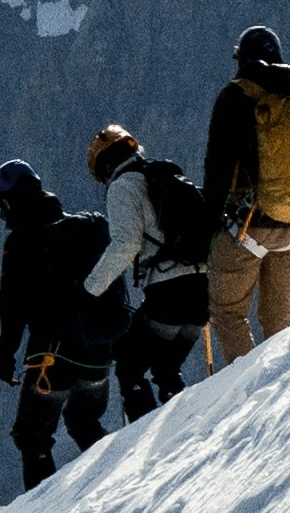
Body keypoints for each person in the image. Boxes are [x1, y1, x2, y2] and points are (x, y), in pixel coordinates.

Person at [0, 162, 129, 485]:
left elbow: (12, 307)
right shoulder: (92, 225)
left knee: (31, 436)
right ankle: (118, 484)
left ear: (8, 202)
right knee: (83, 421)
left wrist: (5, 356)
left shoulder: (21, 241)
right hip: (100, 352)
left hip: (53, 357)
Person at [202, 25, 290, 359]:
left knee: (229, 313)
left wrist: (203, 232)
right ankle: (287, 386)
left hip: (247, 227)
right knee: (277, 318)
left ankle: (250, 399)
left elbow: (217, 170)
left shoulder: (235, 97)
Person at [81, 123, 207, 415]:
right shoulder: (164, 176)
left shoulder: (123, 187)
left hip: (168, 291)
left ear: (105, 165)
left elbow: (126, 244)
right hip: (202, 292)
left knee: (129, 365)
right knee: (166, 370)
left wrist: (91, 289)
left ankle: (143, 443)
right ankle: (188, 426)